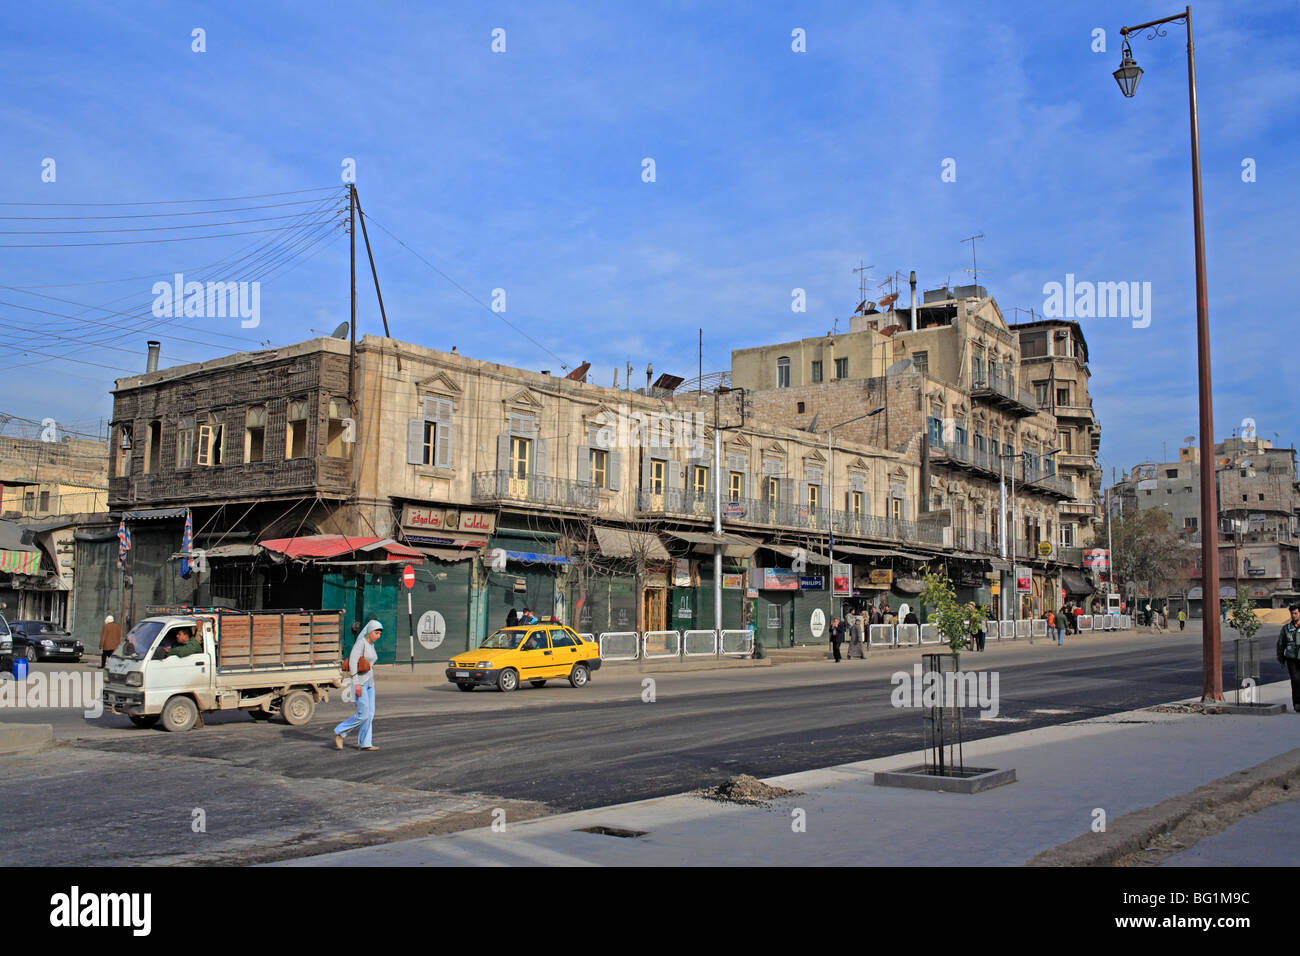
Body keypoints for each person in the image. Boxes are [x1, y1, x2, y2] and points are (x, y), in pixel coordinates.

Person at [335, 620, 382, 751]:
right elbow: (353, 663)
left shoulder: (371, 645)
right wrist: (355, 684)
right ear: (369, 632)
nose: (378, 636)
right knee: (364, 714)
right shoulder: (360, 644)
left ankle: (365, 743)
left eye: (379, 633)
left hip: (370, 684)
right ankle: (341, 732)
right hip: (359, 684)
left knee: (370, 714)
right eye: (376, 633)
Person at [1276, 604, 1300, 713]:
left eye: (1295, 613)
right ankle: (1297, 704)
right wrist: (1281, 659)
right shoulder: (1286, 629)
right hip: (1291, 658)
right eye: (1292, 613)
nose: (1293, 615)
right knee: (1295, 681)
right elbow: (1281, 644)